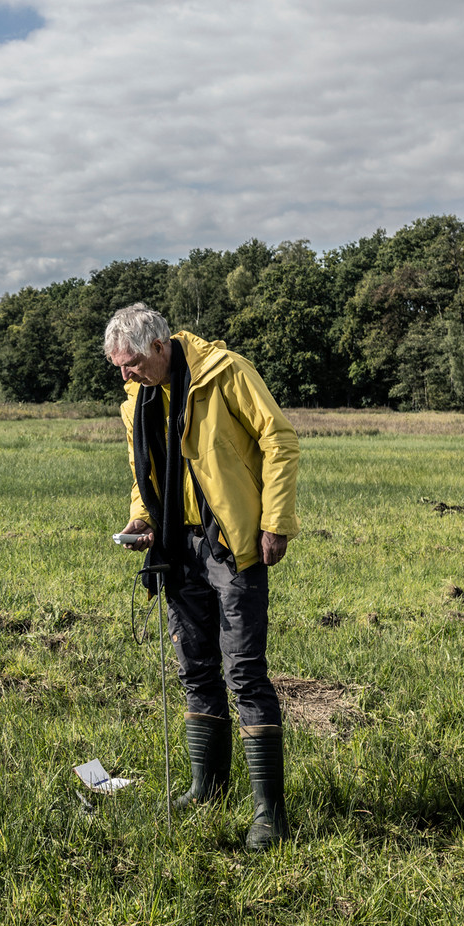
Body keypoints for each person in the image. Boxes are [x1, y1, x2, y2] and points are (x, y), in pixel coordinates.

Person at [105, 302, 300, 851]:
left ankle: (270, 815)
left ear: (161, 347)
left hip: (233, 542)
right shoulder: (135, 403)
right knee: (195, 668)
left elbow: (279, 439)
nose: (125, 375)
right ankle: (205, 790)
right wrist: (142, 520)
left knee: (245, 673)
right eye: (119, 367)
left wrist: (276, 520)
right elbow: (143, 474)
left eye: (132, 364)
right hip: (177, 547)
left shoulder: (227, 371)